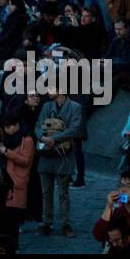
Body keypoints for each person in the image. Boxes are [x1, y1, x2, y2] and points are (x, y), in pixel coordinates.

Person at [36, 91, 83, 237]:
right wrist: (43, 138)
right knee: (46, 192)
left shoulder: (75, 107)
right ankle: (46, 222)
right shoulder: (46, 106)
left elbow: (74, 129)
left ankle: (66, 224)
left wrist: (54, 138)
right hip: (46, 154)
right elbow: (38, 125)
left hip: (64, 155)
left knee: (63, 192)